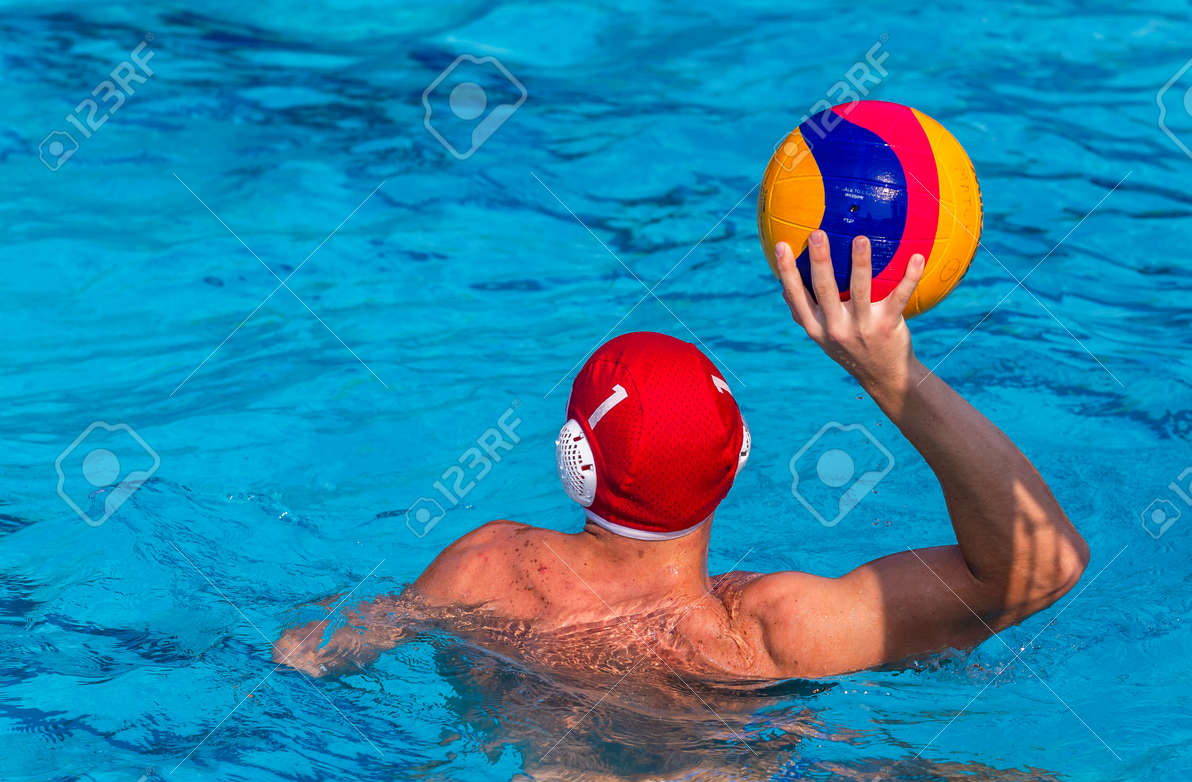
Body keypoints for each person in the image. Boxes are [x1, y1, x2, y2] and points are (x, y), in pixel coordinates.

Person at [274, 231, 1088, 679]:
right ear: (734, 466)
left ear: (573, 459)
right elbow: (1043, 568)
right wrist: (892, 375)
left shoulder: (486, 569)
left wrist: (317, 641)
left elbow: (319, 650)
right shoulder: (769, 632)